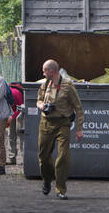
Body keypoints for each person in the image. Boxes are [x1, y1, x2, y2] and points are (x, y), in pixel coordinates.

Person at [36, 59, 84, 198]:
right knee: (43, 157)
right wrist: (41, 106)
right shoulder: (44, 84)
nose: (43, 73)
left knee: (63, 156)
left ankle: (60, 189)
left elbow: (78, 108)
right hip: (46, 123)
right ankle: (47, 179)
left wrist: (79, 129)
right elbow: (38, 100)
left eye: (44, 71)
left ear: (51, 71)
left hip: (63, 123)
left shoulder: (68, 86)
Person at [7, 80, 24, 165]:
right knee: (15, 135)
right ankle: (16, 158)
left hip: (19, 114)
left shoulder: (14, 93)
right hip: (14, 114)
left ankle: (16, 158)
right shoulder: (10, 92)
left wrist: (12, 117)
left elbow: (21, 107)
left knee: (17, 135)